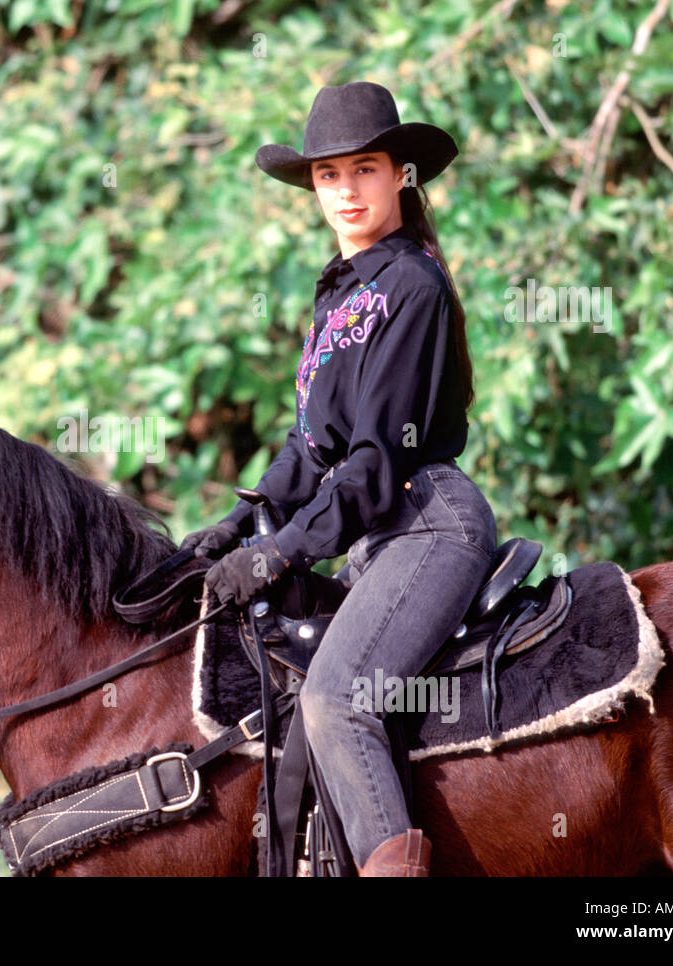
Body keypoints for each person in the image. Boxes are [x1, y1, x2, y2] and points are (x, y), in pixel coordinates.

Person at [183, 81, 498, 876]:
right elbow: (309, 444)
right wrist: (243, 522)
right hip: (371, 534)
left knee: (336, 700)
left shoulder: (412, 288)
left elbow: (374, 464)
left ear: (402, 176)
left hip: (424, 521)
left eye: (364, 169)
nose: (345, 191)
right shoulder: (341, 289)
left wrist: (285, 553)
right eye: (329, 175)